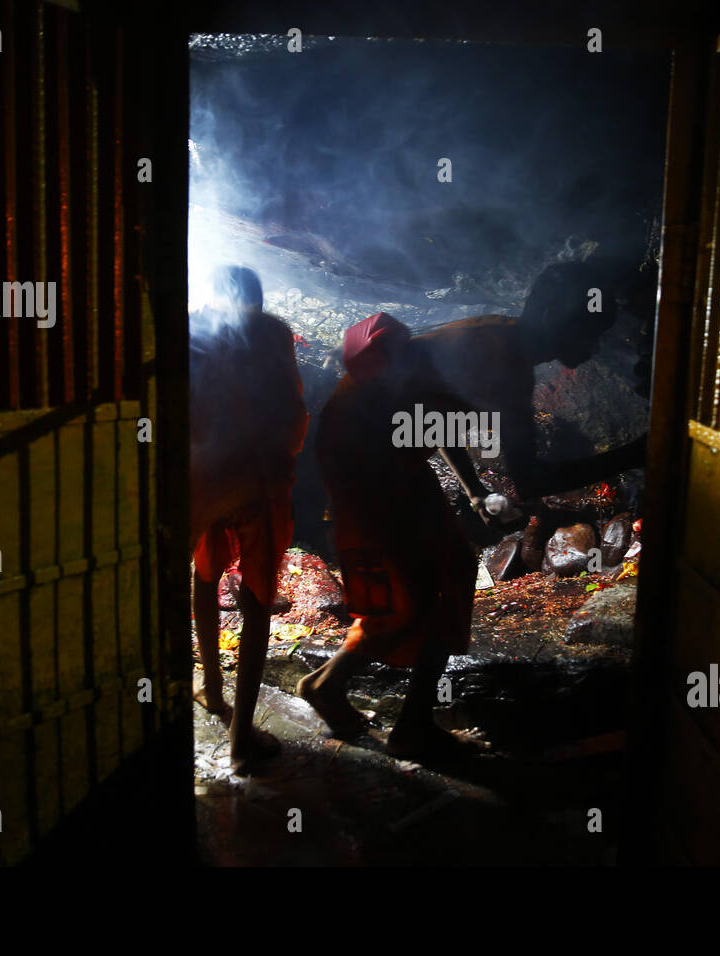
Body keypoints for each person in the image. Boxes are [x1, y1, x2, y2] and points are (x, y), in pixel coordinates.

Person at [300, 262, 645, 760]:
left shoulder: (498, 336)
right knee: (419, 590)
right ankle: (389, 715)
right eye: (592, 328)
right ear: (554, 313)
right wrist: (632, 454)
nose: (594, 346)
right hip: (365, 453)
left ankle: (349, 695)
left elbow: (429, 413)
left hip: (379, 442)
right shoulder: (506, 362)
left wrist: (474, 488)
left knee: (455, 566)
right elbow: (530, 479)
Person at [189, 265, 308, 772]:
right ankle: (240, 739)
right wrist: (286, 457)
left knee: (204, 573)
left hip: (205, 476)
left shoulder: (194, 327)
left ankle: (212, 692)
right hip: (258, 476)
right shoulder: (275, 334)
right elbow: (291, 409)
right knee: (257, 597)